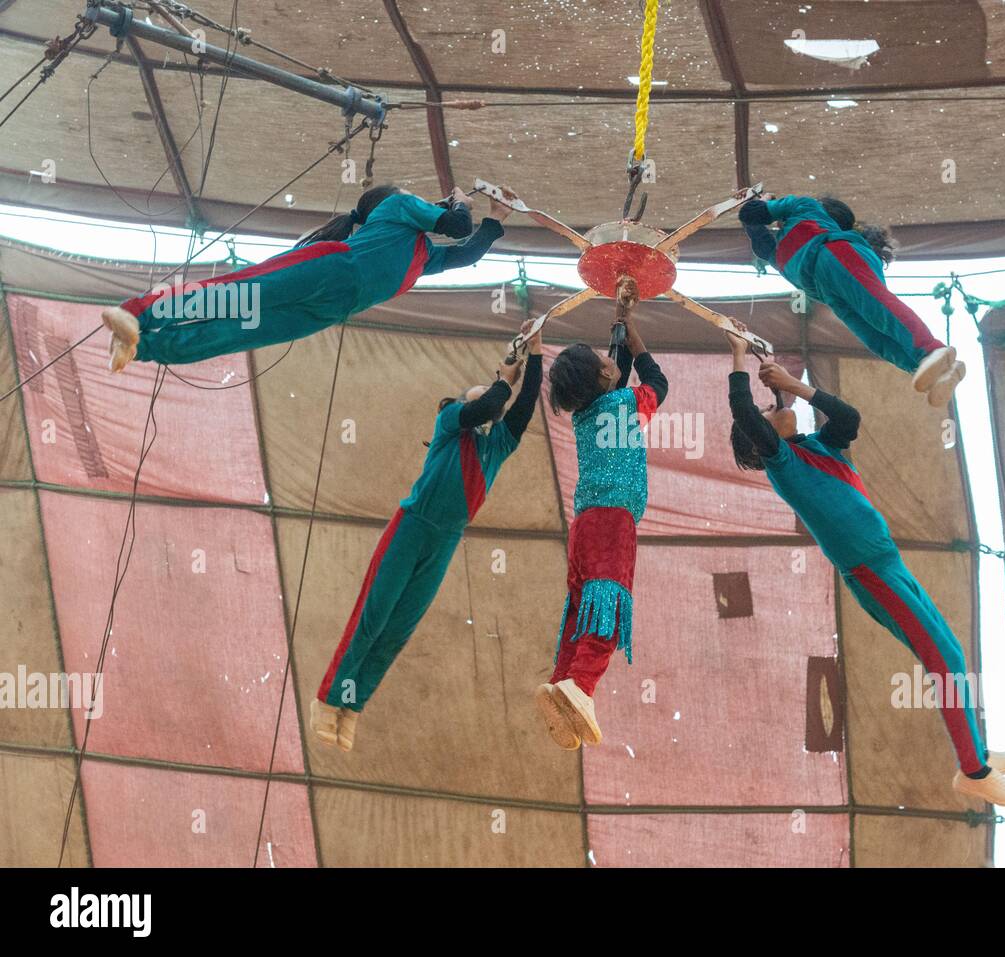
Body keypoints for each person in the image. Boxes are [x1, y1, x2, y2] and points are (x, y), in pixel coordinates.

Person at [723, 323, 1005, 805]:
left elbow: (848, 416)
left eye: (773, 407)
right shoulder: (782, 464)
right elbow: (744, 409)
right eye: (767, 413)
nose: (772, 411)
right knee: (940, 662)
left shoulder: (821, 446)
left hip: (889, 565)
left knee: (950, 654)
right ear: (759, 443)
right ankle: (973, 772)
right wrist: (738, 357)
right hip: (871, 573)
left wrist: (793, 387)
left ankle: (977, 753)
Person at [312, 320, 543, 752]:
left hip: (445, 542)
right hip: (412, 528)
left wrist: (537, 355)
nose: (481, 394)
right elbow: (488, 408)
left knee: (398, 630)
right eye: (474, 391)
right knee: (373, 619)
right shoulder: (450, 423)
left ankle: (353, 705)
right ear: (461, 403)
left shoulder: (497, 447)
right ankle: (329, 699)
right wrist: (504, 378)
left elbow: (523, 406)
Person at [100, 184, 515, 370]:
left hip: (327, 311)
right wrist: (461, 202)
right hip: (330, 268)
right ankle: (136, 314)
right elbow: (458, 226)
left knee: (234, 333)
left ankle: (143, 349)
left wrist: (496, 218)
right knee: (236, 296)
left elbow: (467, 251)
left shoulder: (422, 259)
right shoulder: (399, 205)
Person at [535, 282, 667, 750]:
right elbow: (658, 384)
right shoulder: (624, 402)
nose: (611, 363)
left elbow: (617, 373)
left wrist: (620, 322)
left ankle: (561, 682)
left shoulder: (587, 413)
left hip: (585, 524)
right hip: (614, 523)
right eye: (604, 361)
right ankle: (582, 687)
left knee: (581, 604)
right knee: (607, 608)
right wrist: (636, 337)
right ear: (602, 378)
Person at [738, 193, 964, 407]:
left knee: (879, 311)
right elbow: (755, 229)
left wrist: (765, 201)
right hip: (828, 291)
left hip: (835, 254)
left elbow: (752, 213)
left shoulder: (802, 206)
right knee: (874, 337)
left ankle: (931, 350)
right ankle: (932, 371)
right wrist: (753, 214)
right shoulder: (777, 252)